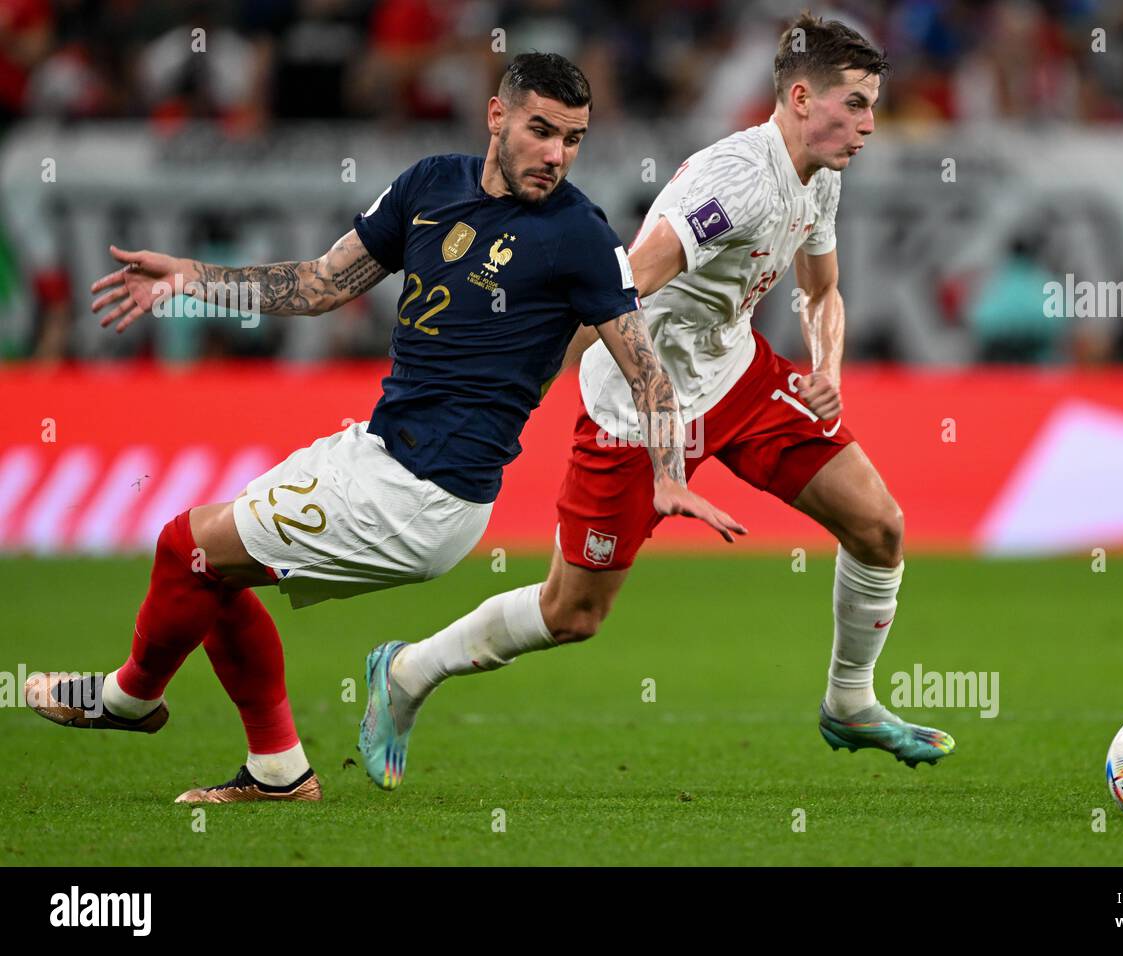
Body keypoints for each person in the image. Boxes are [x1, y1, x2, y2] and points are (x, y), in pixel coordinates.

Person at [24, 52, 742, 804]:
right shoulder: (430, 184)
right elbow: (317, 285)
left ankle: (129, 699)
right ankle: (277, 773)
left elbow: (650, 373)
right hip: (377, 450)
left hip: (426, 493)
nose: (556, 155)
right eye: (541, 131)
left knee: (185, 547)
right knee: (212, 571)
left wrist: (668, 474)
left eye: (573, 139)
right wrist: (190, 281)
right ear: (496, 117)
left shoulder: (579, 235)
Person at [359, 14, 955, 792]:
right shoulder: (737, 180)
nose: (872, 124)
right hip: (636, 408)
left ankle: (849, 702)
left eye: (875, 104)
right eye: (858, 104)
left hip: (738, 377)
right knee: (572, 613)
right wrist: (524, 385)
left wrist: (828, 369)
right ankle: (405, 672)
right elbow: (622, 284)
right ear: (803, 98)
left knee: (880, 527)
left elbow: (822, 288)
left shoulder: (824, 173)